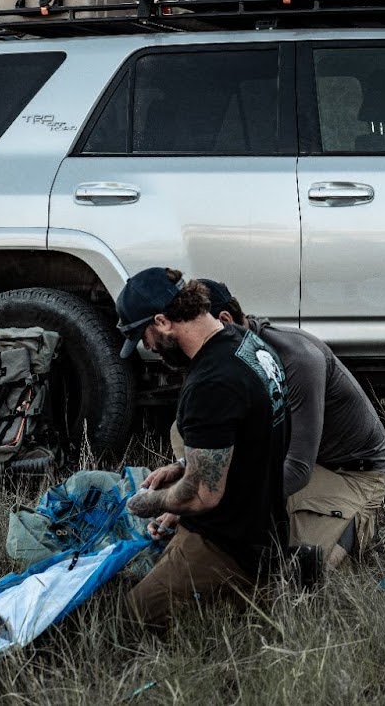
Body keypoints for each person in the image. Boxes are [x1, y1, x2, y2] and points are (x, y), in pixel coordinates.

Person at [168, 279, 385, 571]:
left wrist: (213, 504)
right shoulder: (231, 355)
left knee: (297, 570)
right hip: (283, 459)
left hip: (347, 473)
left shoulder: (298, 359)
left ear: (223, 320)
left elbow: (299, 469)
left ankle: (351, 522)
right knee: (180, 428)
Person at [119, 268, 289, 630]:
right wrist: (183, 464)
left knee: (129, 617)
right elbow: (244, 438)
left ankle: (243, 595)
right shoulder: (249, 345)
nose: (147, 347)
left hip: (229, 544)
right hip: (268, 526)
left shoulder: (211, 383)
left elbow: (203, 495)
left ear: (162, 322)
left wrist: (153, 502)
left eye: (143, 335)